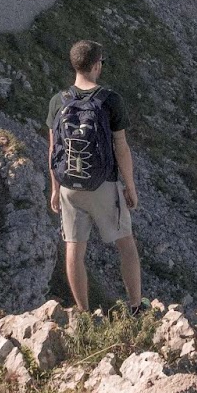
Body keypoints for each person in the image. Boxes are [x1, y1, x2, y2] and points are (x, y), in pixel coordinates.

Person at [47, 40, 143, 314]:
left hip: (68, 186)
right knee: (126, 243)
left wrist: (55, 189)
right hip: (103, 185)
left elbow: (53, 149)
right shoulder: (109, 99)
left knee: (74, 250)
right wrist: (130, 186)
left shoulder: (58, 101)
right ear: (97, 65)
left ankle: (83, 312)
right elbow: (120, 147)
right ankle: (136, 308)